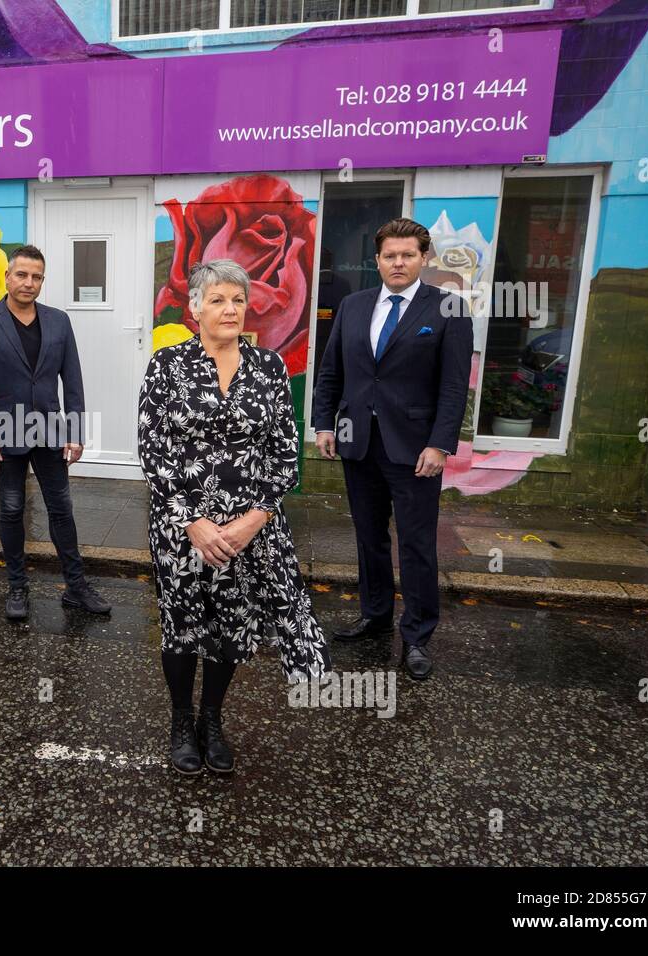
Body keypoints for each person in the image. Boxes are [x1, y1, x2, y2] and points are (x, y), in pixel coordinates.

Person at [139, 259, 330, 776]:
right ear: (195, 308)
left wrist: (254, 519)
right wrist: (193, 523)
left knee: (232, 623)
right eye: (218, 299)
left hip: (250, 529)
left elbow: (285, 451)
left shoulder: (269, 368)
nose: (230, 309)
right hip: (182, 528)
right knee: (182, 624)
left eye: (238, 300)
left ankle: (212, 719)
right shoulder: (167, 366)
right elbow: (153, 452)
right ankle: (181, 721)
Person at [312, 217, 472, 680]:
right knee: (369, 537)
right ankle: (376, 614)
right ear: (377, 260)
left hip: (416, 450)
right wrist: (324, 423)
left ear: (424, 258)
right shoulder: (353, 305)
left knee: (417, 543)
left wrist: (440, 444)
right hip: (358, 443)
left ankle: (418, 635)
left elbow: (453, 387)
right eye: (389, 255)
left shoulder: (449, 310)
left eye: (407, 255)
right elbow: (331, 370)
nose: (398, 263)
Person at [0, 244, 111, 620]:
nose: (29, 283)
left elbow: (72, 380)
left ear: (43, 281)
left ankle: (75, 587)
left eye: (36, 277)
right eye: (22, 275)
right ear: (7, 277)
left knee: (62, 509)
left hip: (49, 430)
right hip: (4, 434)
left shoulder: (59, 321)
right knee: (12, 511)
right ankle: (17, 588)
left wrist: (75, 431)